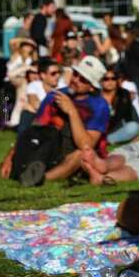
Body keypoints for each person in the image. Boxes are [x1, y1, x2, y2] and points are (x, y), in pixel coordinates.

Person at [14, 56, 110, 187]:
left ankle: (40, 178)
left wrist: (72, 111)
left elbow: (86, 145)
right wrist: (11, 155)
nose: (75, 80)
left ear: (92, 87)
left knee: (82, 154)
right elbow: (34, 130)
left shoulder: (99, 106)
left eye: (83, 79)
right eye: (75, 74)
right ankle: (31, 171)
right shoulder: (54, 96)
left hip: (79, 156)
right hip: (51, 149)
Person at [99, 68, 139, 145]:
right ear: (101, 81)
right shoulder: (95, 95)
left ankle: (107, 140)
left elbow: (128, 117)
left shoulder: (124, 94)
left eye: (113, 78)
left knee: (133, 127)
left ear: (117, 80)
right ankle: (102, 140)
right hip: (97, 129)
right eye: (106, 79)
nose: (110, 81)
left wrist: (133, 134)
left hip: (114, 128)